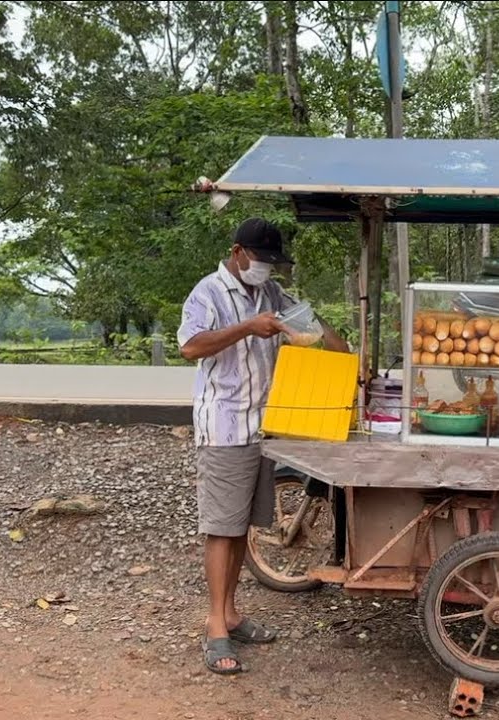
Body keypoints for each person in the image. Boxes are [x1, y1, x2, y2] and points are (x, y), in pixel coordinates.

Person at [177, 217, 348, 676]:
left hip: (261, 428)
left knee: (243, 528)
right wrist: (248, 327)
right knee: (221, 529)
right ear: (237, 253)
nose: (267, 269)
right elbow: (191, 347)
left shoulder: (270, 295)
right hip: (224, 428)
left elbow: (313, 326)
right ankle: (215, 628)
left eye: (273, 263)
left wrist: (334, 344)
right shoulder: (208, 292)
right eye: (261, 260)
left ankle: (232, 613)